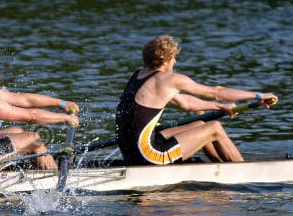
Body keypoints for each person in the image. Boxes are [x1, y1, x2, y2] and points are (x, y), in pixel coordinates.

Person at [115, 35, 278, 166]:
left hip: (131, 153)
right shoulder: (170, 79)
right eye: (173, 57)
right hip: (149, 156)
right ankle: (245, 174)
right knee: (215, 127)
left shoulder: (138, 76)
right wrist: (258, 95)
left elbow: (184, 103)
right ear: (165, 59)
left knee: (200, 125)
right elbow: (218, 93)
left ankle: (219, 167)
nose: (175, 61)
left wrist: (218, 107)